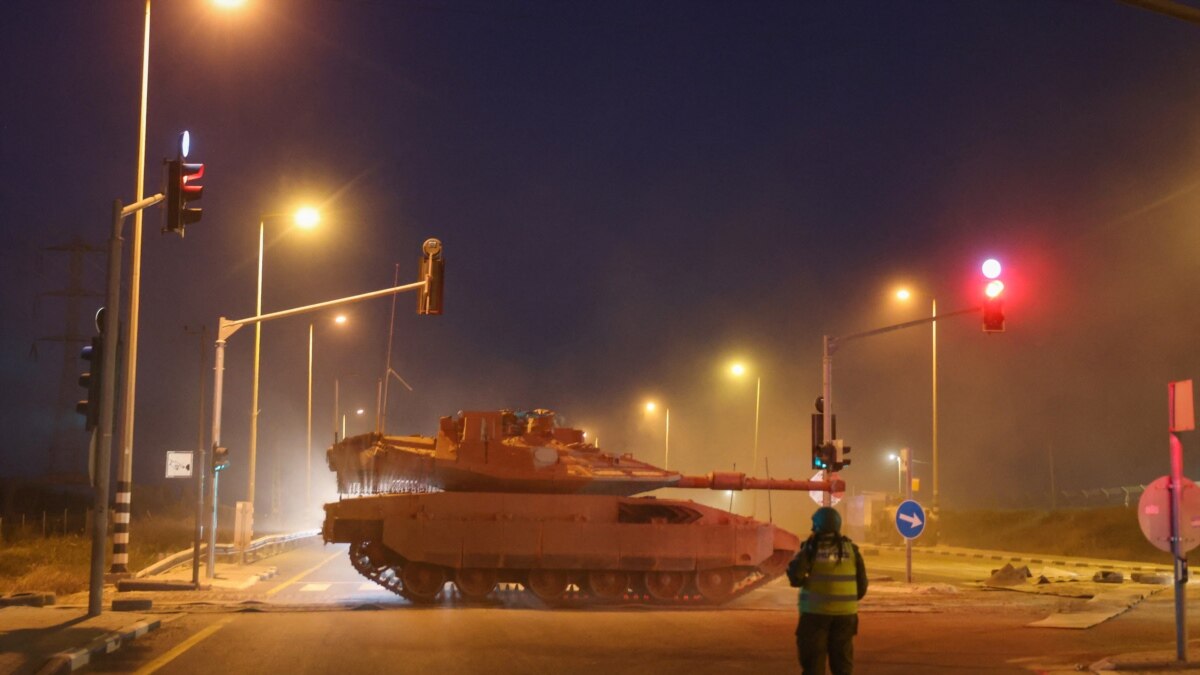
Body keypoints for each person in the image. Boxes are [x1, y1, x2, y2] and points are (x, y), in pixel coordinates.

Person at [786, 506, 868, 675]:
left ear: (817, 526)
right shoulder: (852, 550)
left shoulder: (811, 549)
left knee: (813, 666)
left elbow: (795, 578)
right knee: (843, 667)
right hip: (846, 616)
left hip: (815, 616)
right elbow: (861, 588)